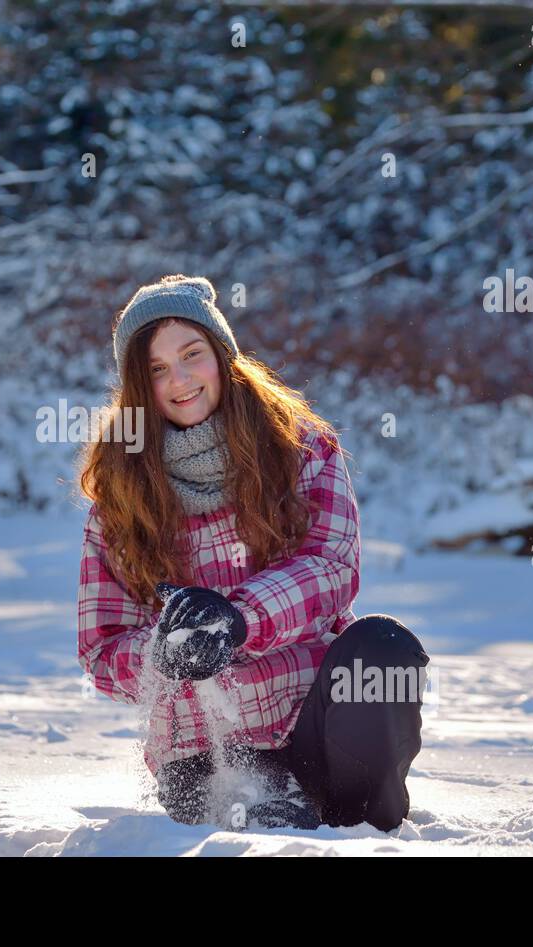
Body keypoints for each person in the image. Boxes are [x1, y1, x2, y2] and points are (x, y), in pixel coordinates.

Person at [75, 274, 429, 832]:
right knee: (262, 830)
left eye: (192, 355)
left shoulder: (302, 450)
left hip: (315, 721)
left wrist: (238, 618)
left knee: (384, 648)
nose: (180, 379)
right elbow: (101, 649)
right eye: (157, 369)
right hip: (206, 746)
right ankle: (272, 813)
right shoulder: (119, 497)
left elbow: (333, 567)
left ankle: (366, 826)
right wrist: (163, 653)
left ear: (223, 355)